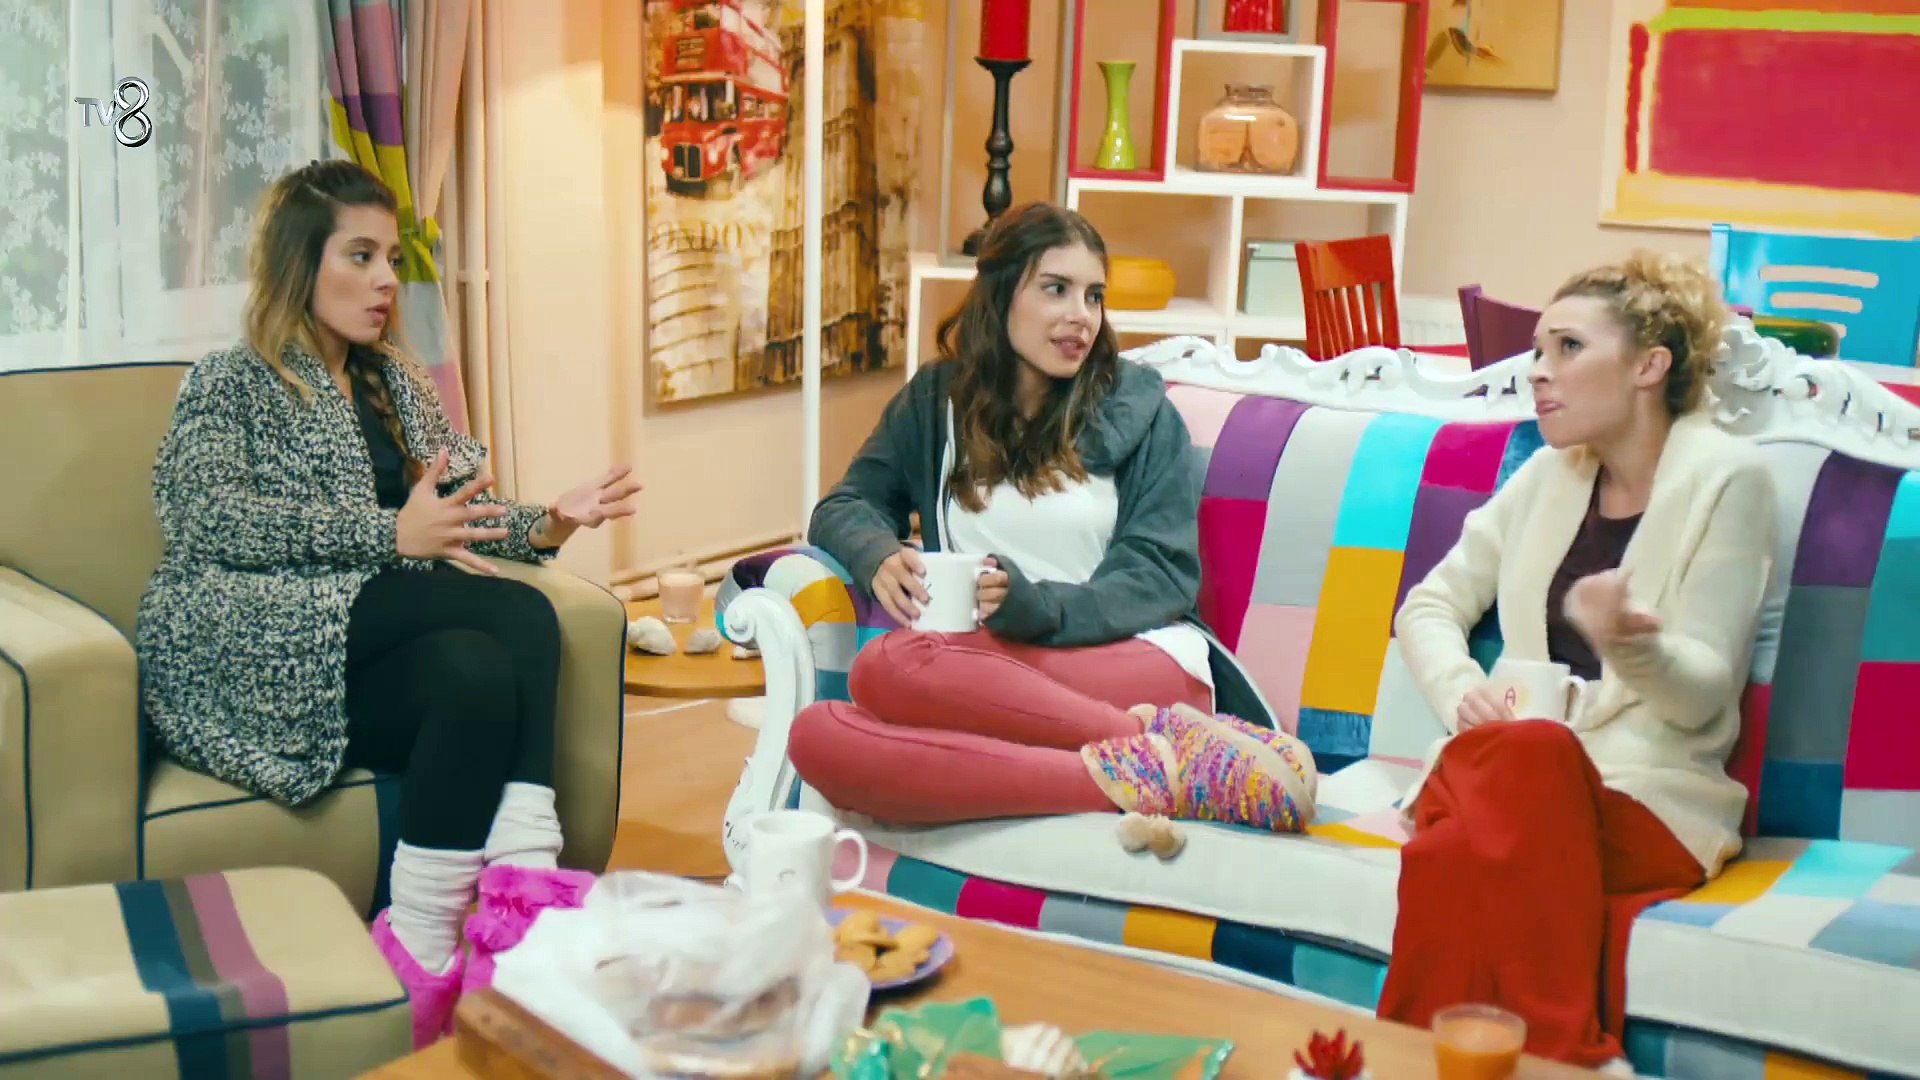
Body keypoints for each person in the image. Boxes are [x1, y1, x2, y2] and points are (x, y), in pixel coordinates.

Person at [135, 160, 642, 1046]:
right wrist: (385, 536)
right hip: (255, 636)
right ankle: (527, 895)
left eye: (391, 260)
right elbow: (202, 515)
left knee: (473, 672)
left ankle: (420, 948)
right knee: (519, 616)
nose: (384, 281)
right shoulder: (230, 380)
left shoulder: (396, 380)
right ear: (300, 262)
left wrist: (547, 523)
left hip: (370, 637)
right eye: (359, 256)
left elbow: (447, 518)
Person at [780, 202, 1316, 836]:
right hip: (996, 670)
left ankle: (1146, 729)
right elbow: (845, 505)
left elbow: (1159, 575)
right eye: (1056, 289)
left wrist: (1036, 606)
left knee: (888, 668)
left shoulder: (1140, 410)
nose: (1080, 315)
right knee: (818, 736)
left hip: (1136, 655)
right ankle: (1160, 770)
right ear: (1001, 293)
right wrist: (875, 552)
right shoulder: (936, 401)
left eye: (1093, 296)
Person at [1381, 252, 1777, 1068]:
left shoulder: (1729, 481)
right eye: (1537, 350)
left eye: (1567, 347)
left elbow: (1705, 692)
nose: (1537, 371)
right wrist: (1460, 695)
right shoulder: (1544, 477)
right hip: (1518, 780)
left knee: (1488, 801)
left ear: (1647, 366)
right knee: (1479, 811)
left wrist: (1631, 643)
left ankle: (1512, 1056)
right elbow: (1428, 606)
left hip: (1646, 803)